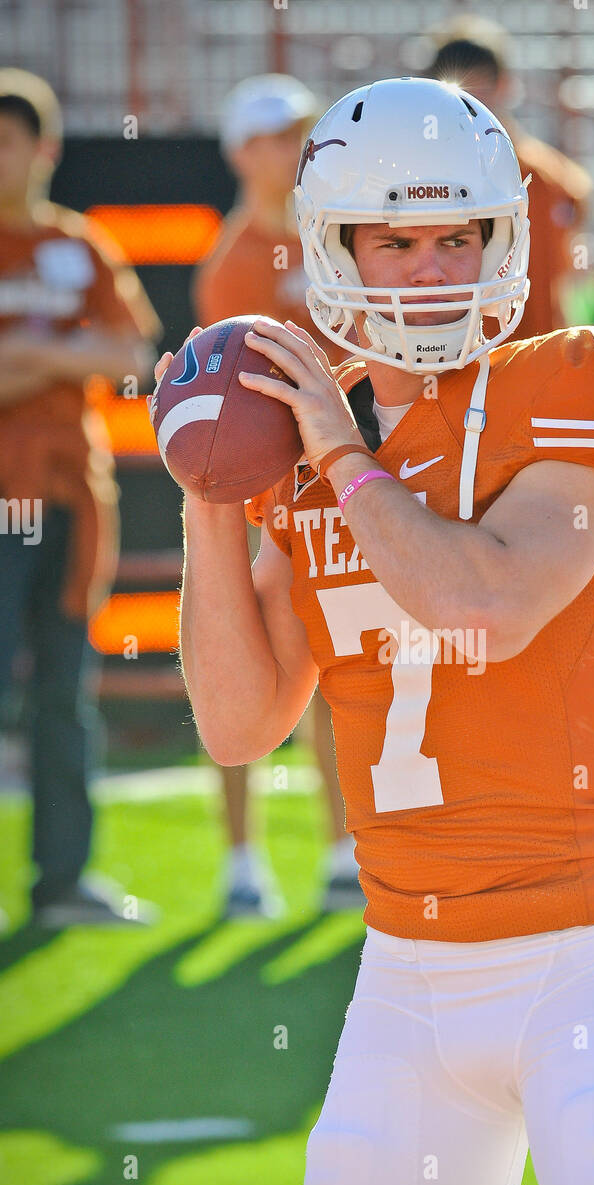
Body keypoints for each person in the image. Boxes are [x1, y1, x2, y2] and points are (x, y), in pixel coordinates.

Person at [161, 78, 594, 1185]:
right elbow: (241, 723)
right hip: (406, 965)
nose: (430, 270)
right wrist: (208, 495)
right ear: (332, 250)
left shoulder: (582, 378)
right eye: (395, 240)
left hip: (590, 954)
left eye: (458, 234)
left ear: (505, 237)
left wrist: (341, 459)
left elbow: (488, 604)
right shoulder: (310, 459)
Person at [192, 74, 360, 919]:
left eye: (293, 132)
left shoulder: (333, 238)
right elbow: (235, 397)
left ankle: (340, 848)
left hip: (333, 484)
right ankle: (242, 860)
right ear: (237, 152)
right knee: (238, 680)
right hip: (265, 495)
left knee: (333, 676)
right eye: (266, 137)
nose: (281, 150)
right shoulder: (233, 265)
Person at [0, 69, 160, 930]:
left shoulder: (81, 245)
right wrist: (67, 352)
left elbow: (134, 353)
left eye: (6, 140)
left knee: (66, 690)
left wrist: (32, 359)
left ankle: (62, 883)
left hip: (68, 499)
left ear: (43, 150)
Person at [425, 18, 591, 341]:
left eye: (480, 87)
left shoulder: (553, 180)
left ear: (504, 86)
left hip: (539, 355)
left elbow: (567, 280)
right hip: (462, 358)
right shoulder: (421, 179)